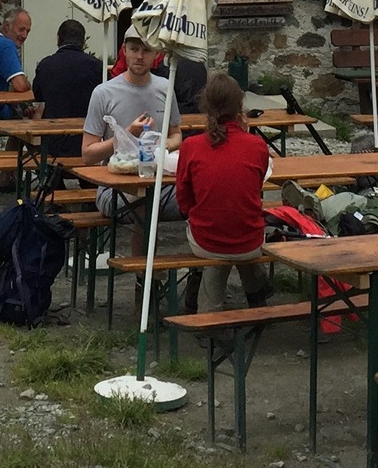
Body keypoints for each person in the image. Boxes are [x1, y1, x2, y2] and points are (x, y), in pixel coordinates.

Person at [175, 72, 274, 314]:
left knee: (213, 241)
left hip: (207, 239)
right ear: (240, 105)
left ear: (205, 106)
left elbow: (183, 200)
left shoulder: (191, 146)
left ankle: (209, 314)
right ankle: (257, 293)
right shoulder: (257, 146)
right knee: (238, 229)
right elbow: (255, 187)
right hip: (249, 240)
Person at [81, 31, 181, 250]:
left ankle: (200, 270)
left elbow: (176, 134)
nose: (139, 56)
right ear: (124, 51)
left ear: (156, 54)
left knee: (205, 197)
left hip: (159, 182)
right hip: (114, 189)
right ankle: (144, 279)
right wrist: (126, 135)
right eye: (134, 49)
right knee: (145, 206)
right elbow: (88, 153)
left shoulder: (165, 87)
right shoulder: (103, 92)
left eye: (146, 50)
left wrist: (163, 146)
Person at [31, 18, 105, 165]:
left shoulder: (45, 66)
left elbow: (38, 96)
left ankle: (53, 182)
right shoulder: (97, 67)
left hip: (53, 144)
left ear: (58, 38)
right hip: (88, 140)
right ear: (83, 41)